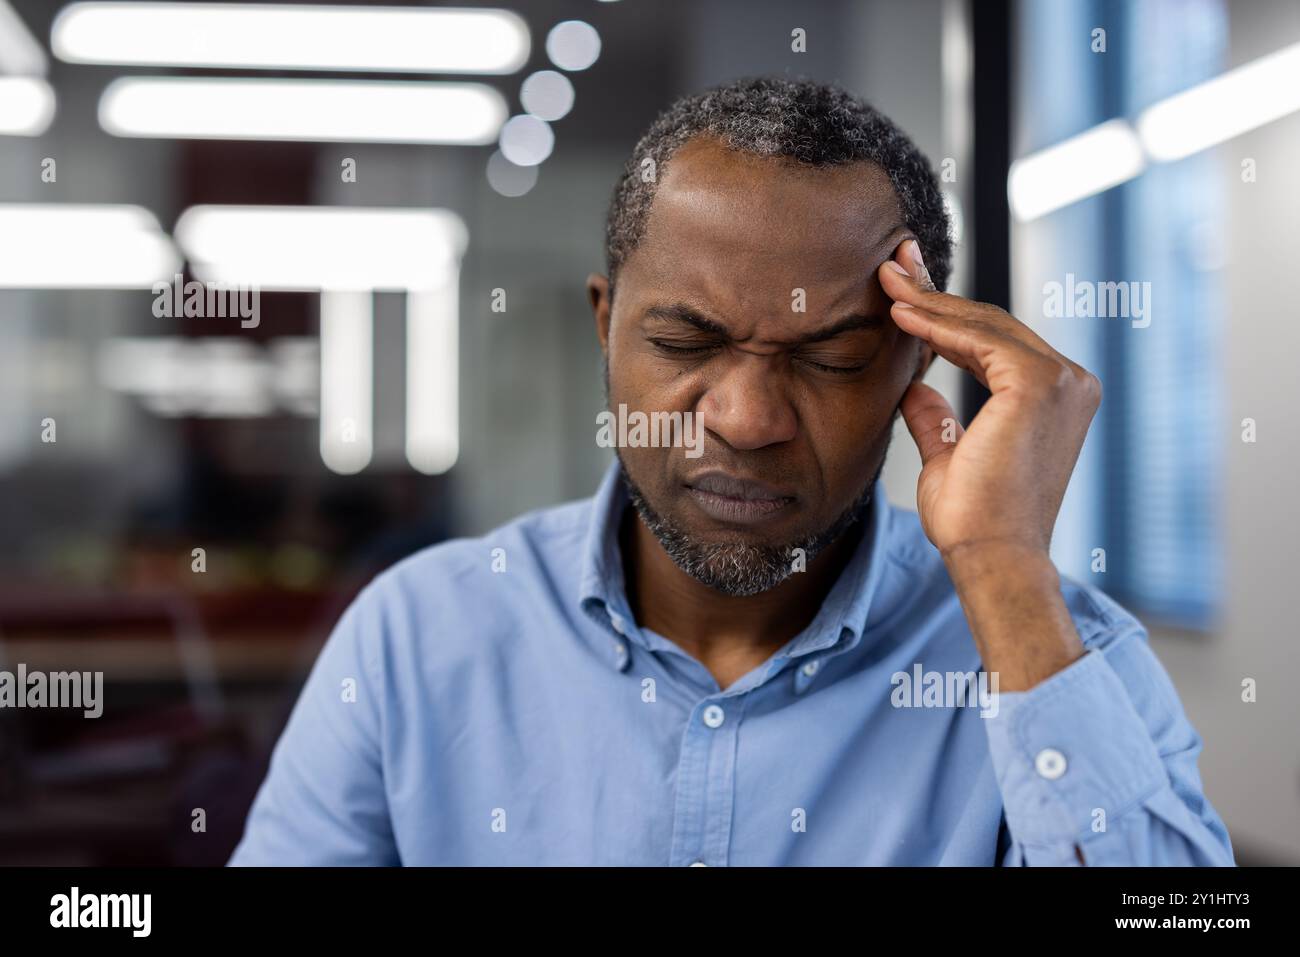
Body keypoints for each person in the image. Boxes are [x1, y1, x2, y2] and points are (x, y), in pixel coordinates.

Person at [229, 77, 1233, 866]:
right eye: (684, 343)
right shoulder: (416, 640)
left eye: (831, 357)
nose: (747, 421)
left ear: (917, 366)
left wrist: (1004, 566)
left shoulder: (1062, 657)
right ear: (604, 326)